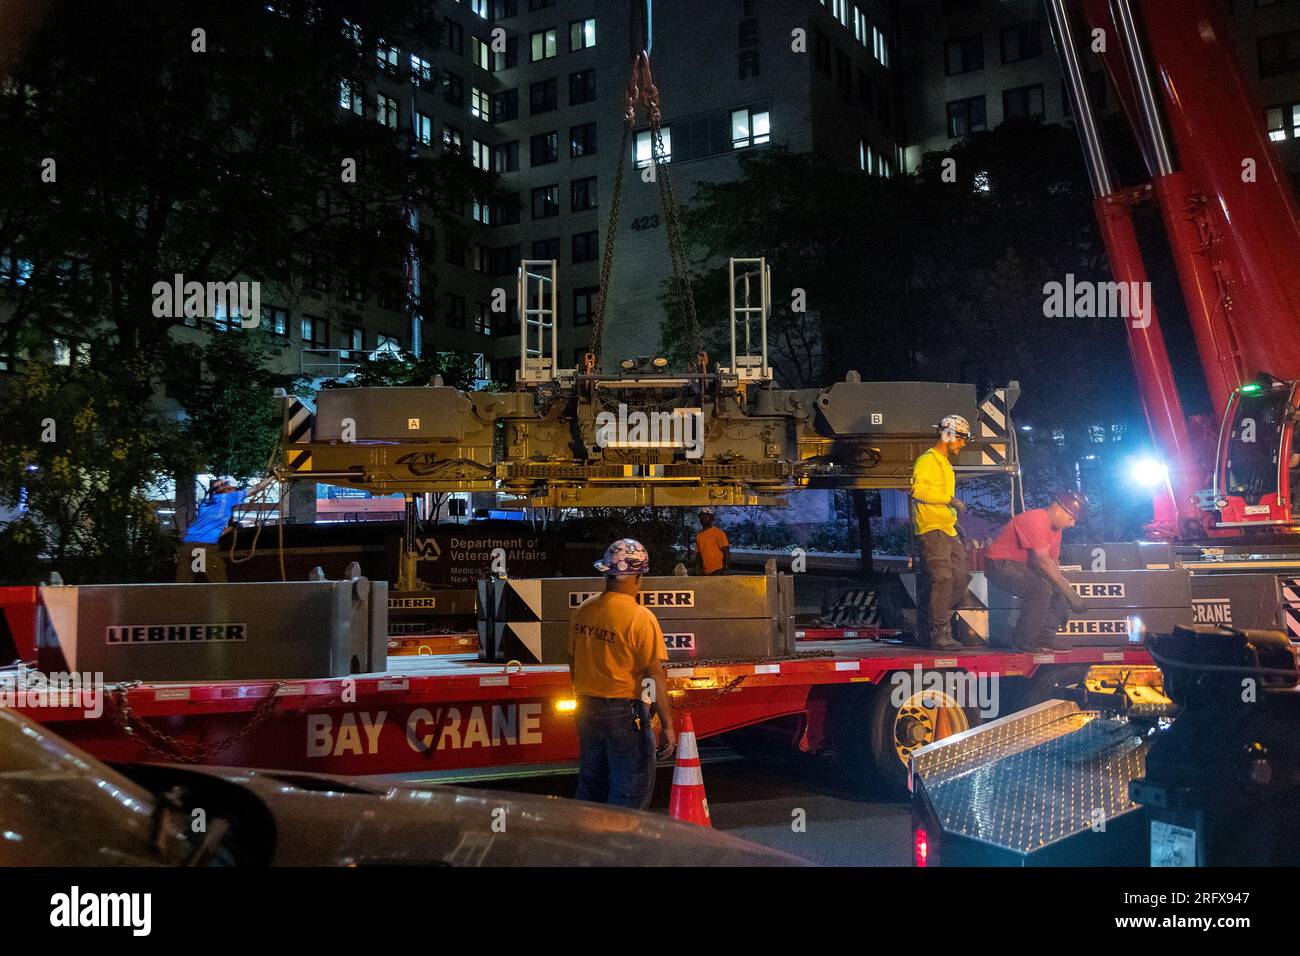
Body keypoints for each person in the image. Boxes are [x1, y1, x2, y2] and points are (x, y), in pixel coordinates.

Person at [568, 538, 677, 809]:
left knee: (592, 786)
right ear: (637, 576)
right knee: (629, 792)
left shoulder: (584, 611)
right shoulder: (640, 618)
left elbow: (573, 661)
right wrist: (667, 726)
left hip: (586, 707)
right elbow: (654, 675)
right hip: (625, 713)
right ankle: (622, 846)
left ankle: (588, 843)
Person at [984, 490, 1090, 651]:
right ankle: (1022, 641)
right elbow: (1042, 560)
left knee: (1058, 590)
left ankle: (1044, 639)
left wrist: (1065, 594)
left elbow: (1052, 562)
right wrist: (1071, 593)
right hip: (999, 564)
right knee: (1040, 591)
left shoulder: (1056, 531)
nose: (1072, 524)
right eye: (1071, 518)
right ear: (1058, 509)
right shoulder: (1035, 519)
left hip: (1021, 566)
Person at [910, 414, 978, 650]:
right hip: (931, 528)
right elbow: (918, 491)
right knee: (943, 577)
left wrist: (955, 522)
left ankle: (933, 617)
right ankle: (939, 630)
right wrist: (950, 500)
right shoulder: (928, 460)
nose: (962, 444)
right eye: (960, 439)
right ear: (948, 435)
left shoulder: (945, 463)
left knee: (961, 577)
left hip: (947, 528)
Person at [175, 476, 273, 583]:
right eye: (234, 489)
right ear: (228, 488)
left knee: (185, 584)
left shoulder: (206, 504)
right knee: (219, 582)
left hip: (188, 548)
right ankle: (221, 599)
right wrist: (273, 476)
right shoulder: (228, 498)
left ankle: (182, 599)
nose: (235, 492)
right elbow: (258, 488)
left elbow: (216, 532)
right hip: (204, 548)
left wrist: (231, 527)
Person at [694, 508, 730, 576]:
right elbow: (698, 555)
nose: (704, 518)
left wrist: (725, 568)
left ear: (712, 519)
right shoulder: (698, 536)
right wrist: (697, 569)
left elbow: (726, 551)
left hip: (718, 570)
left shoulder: (718, 533)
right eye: (702, 516)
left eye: (707, 516)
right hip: (705, 572)